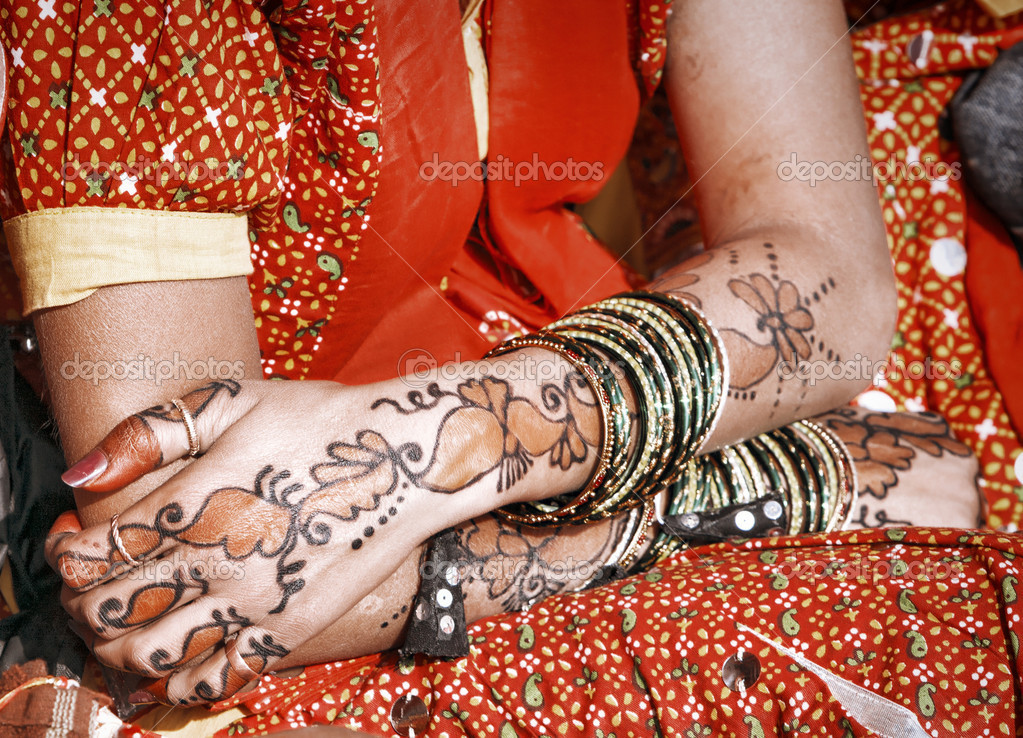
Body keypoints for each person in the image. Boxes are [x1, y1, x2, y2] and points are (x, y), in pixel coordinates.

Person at [0, 0, 1002, 734]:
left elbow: (832, 279)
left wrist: (440, 442)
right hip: (324, 638)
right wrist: (755, 487)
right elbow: (183, 574)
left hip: (552, 425)